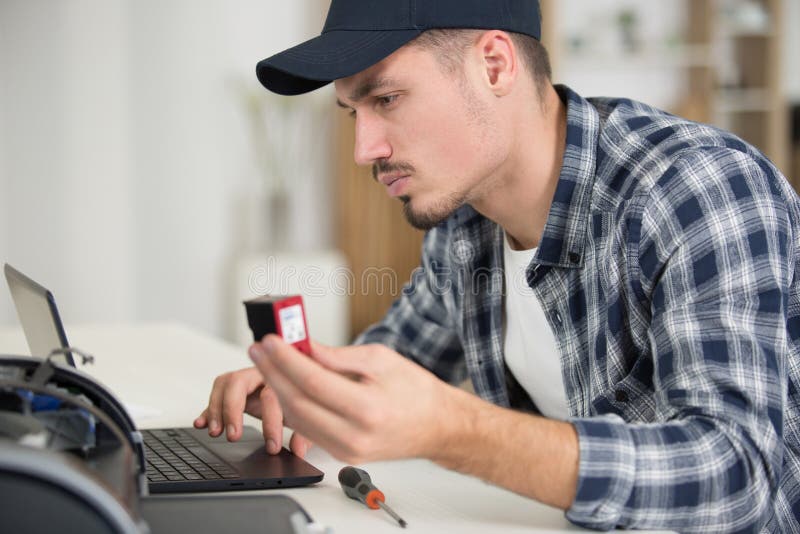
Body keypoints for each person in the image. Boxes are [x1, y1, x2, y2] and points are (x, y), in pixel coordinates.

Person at [194, 1, 800, 531]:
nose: (364, 149)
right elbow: (395, 359)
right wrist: (310, 388)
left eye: (387, 98)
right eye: (355, 112)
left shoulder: (697, 187)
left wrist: (457, 430)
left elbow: (738, 475)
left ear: (494, 65)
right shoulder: (466, 220)